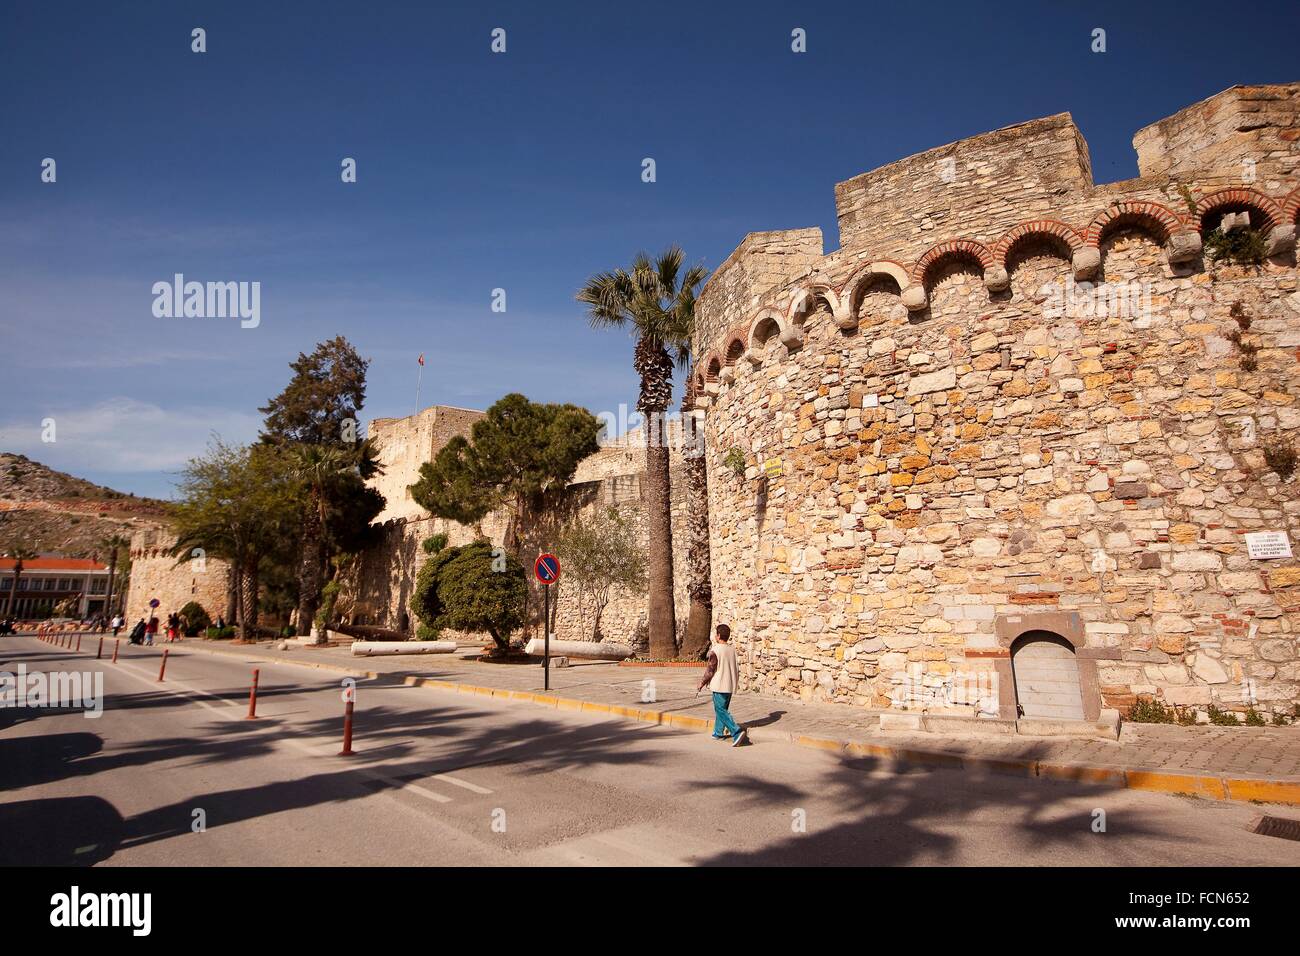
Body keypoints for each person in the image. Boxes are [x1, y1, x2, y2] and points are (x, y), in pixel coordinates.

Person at [698, 623, 747, 746]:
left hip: (719, 684)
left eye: (716, 634)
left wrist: (701, 683)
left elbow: (710, 670)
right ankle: (718, 732)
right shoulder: (732, 650)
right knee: (722, 709)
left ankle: (736, 731)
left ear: (718, 635)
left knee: (720, 710)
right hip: (729, 684)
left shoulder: (715, 650)